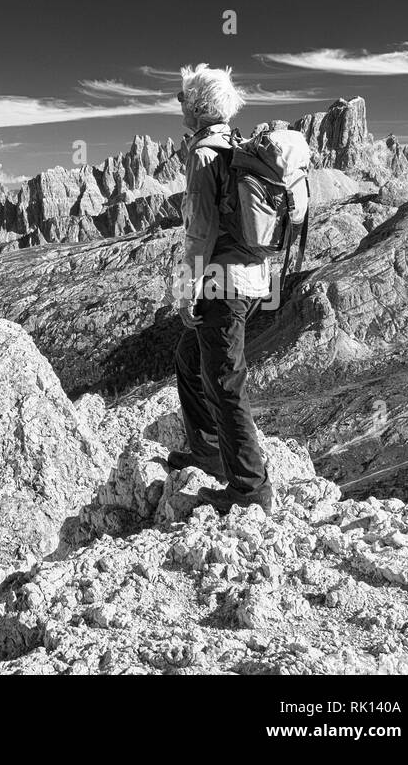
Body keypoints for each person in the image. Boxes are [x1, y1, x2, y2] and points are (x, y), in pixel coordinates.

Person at [167, 63, 274, 513]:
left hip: (222, 285)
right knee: (190, 359)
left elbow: (200, 232)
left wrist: (187, 289)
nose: (179, 106)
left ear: (198, 106)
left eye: (182, 98)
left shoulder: (205, 154)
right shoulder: (236, 146)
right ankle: (208, 451)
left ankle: (249, 489)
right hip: (252, 282)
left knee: (225, 383)